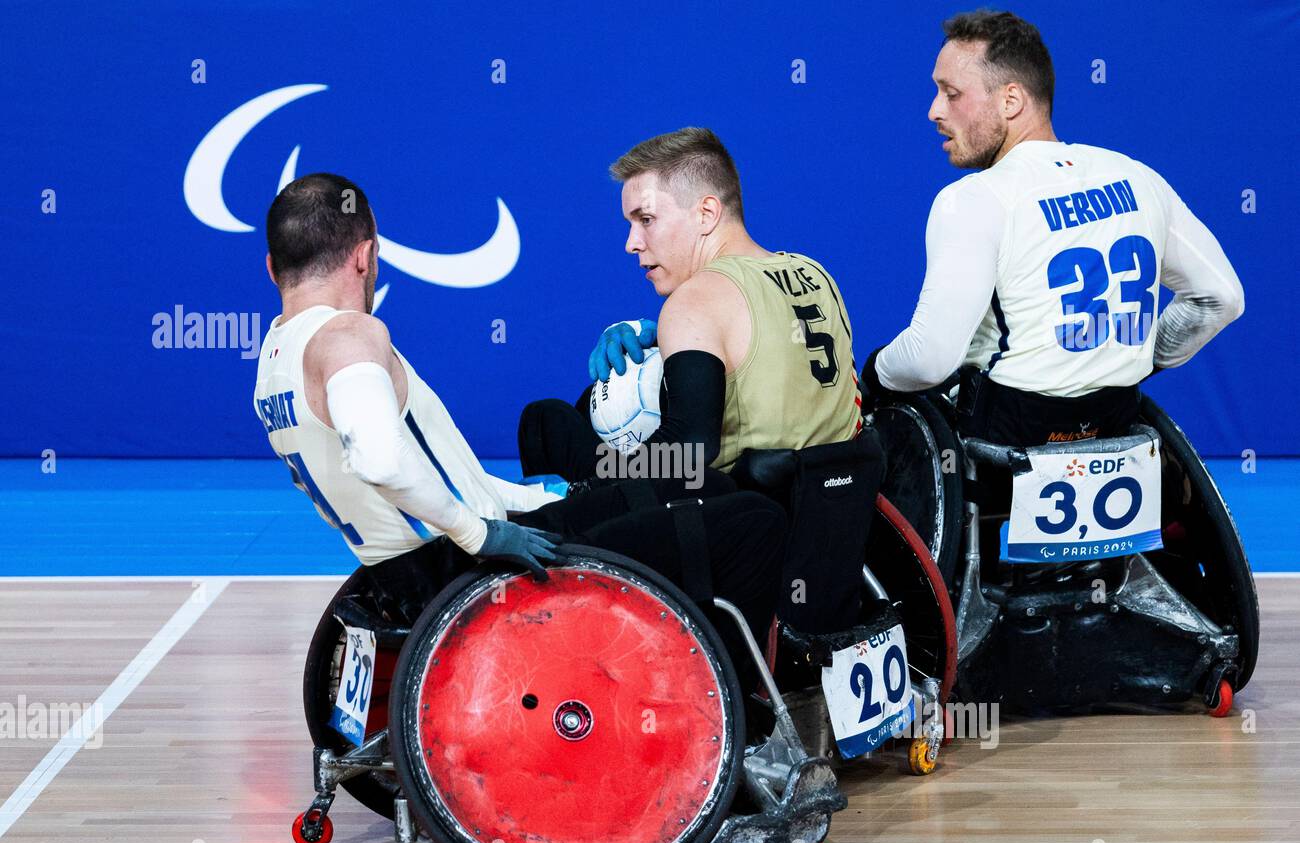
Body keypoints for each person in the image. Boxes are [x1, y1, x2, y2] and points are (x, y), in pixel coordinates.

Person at [252, 172, 786, 669]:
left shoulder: (275, 359)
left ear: (274, 268)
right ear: (366, 256)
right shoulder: (348, 336)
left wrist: (546, 501)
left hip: (408, 575)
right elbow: (380, 460)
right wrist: (479, 533)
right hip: (474, 571)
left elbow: (434, 477)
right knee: (753, 521)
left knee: (705, 484)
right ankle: (737, 708)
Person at [860, 9, 1245, 447]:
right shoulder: (1138, 177)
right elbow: (1222, 298)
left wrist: (872, 377)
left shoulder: (974, 198)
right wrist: (1127, 359)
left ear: (1011, 101)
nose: (933, 111)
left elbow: (928, 360)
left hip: (1005, 433)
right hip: (1116, 417)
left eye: (951, 94)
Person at [519, 127, 863, 482]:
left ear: (706, 213)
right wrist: (663, 345)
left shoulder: (695, 297)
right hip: (832, 503)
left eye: (646, 219)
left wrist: (591, 485)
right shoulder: (814, 272)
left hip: (730, 511)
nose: (631, 243)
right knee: (587, 405)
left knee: (544, 422)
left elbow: (690, 451)